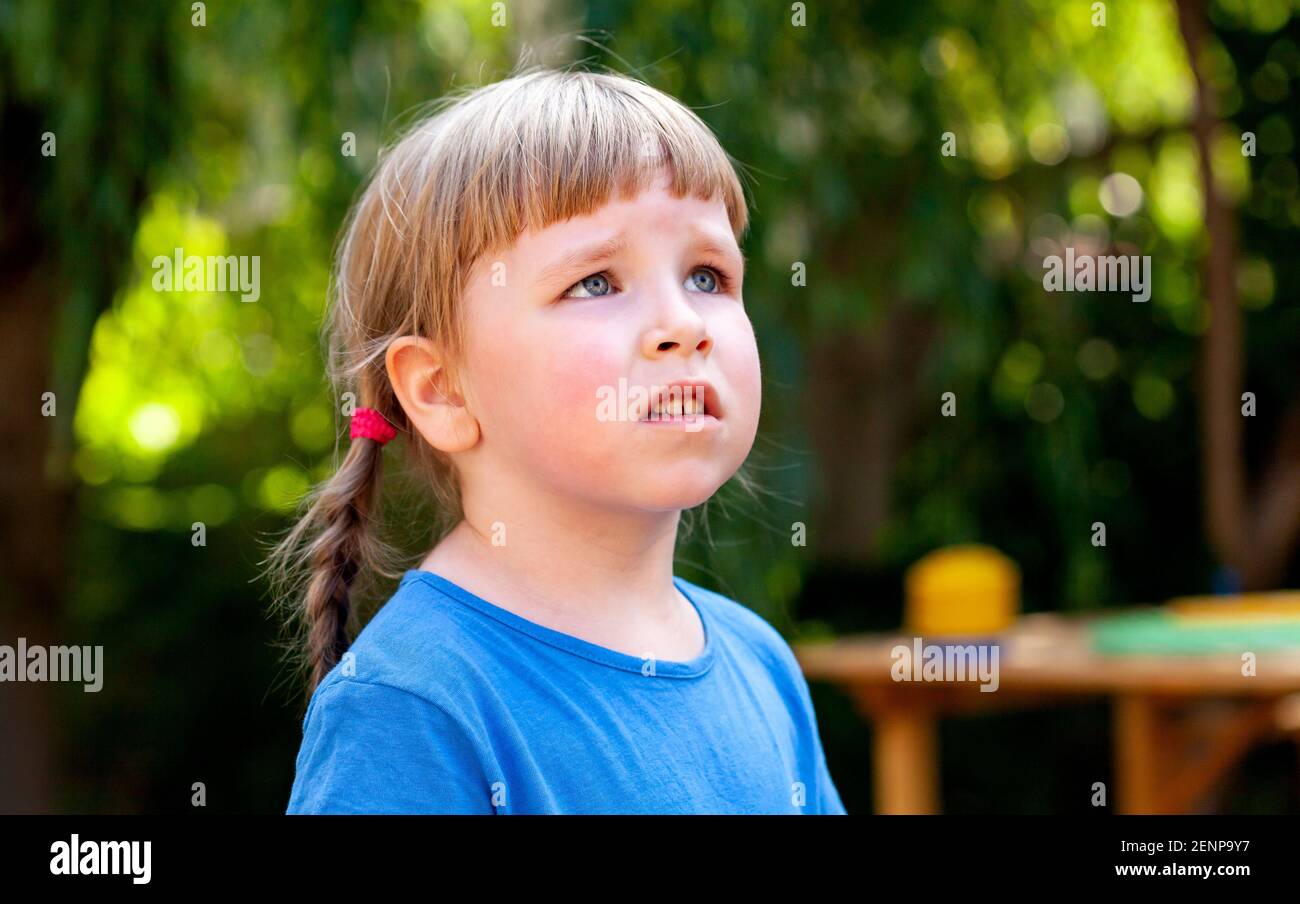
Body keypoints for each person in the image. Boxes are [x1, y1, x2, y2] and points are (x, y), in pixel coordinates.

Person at [272, 65, 846, 814]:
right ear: (442, 390)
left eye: (707, 277)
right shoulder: (413, 706)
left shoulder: (763, 666)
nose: (684, 325)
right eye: (596, 283)